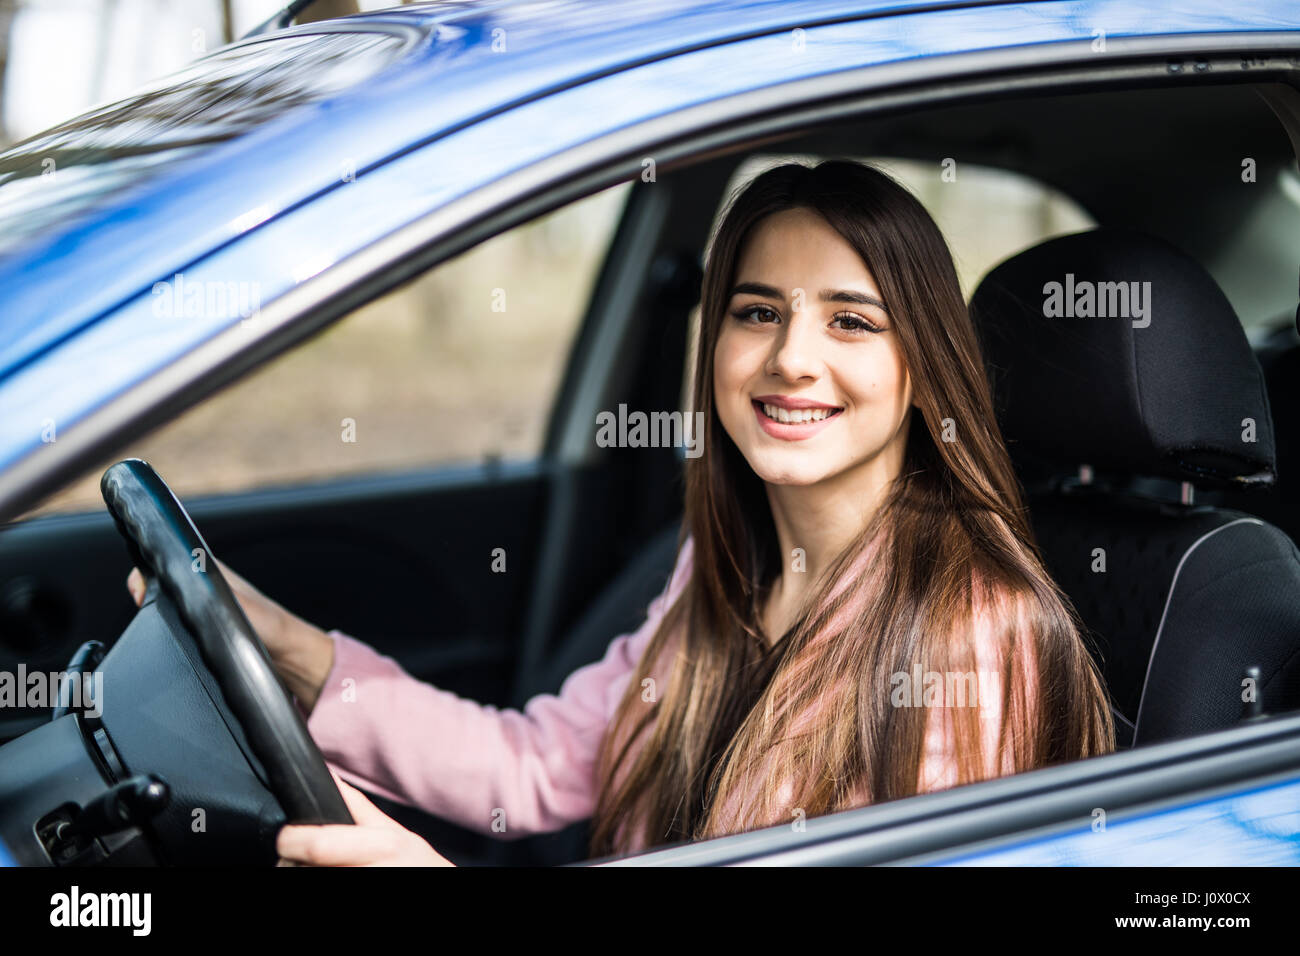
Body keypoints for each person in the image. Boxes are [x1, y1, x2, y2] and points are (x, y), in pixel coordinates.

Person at [126, 159, 1115, 866]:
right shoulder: (717, 572)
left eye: (850, 320)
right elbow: (537, 766)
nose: (790, 358)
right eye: (757, 310)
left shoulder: (975, 638)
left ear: (918, 371)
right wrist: (295, 655)